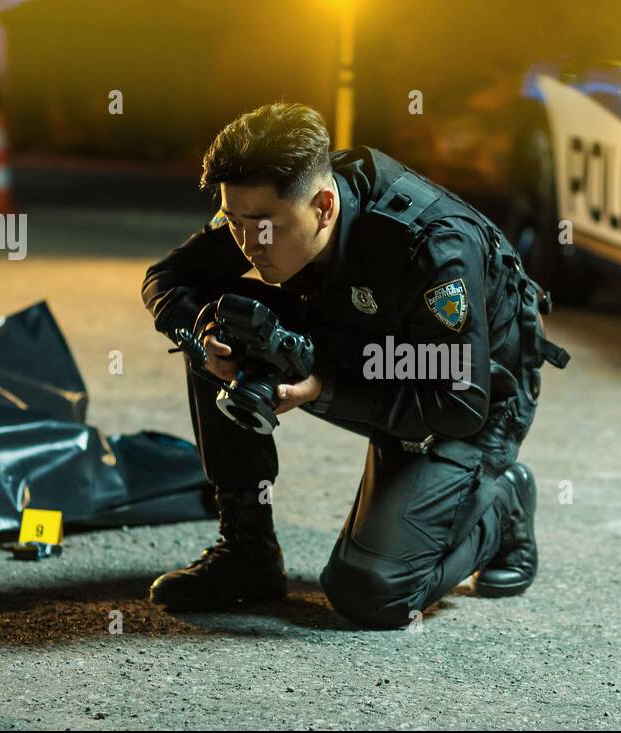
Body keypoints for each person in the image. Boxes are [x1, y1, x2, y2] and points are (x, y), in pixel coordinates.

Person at [140, 102, 568, 628]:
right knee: (227, 322)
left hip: (466, 397)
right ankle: (247, 551)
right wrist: (204, 337)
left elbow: (459, 402)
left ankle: (499, 512)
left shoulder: (430, 246)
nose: (249, 245)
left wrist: (321, 389)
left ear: (323, 206)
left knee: (371, 594)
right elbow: (167, 278)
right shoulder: (267, 208)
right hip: (364, 351)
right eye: (233, 222)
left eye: (261, 227)